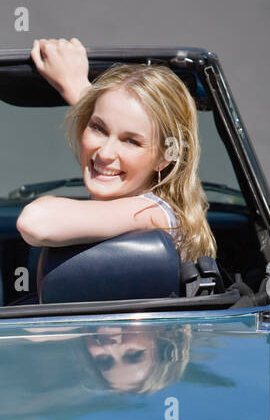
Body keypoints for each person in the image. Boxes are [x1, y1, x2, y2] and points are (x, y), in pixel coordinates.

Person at [17, 38, 216, 263]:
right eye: (98, 128)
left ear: (165, 157)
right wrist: (75, 84)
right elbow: (115, 115)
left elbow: (35, 222)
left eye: (131, 141)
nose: (105, 153)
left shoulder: (154, 212)